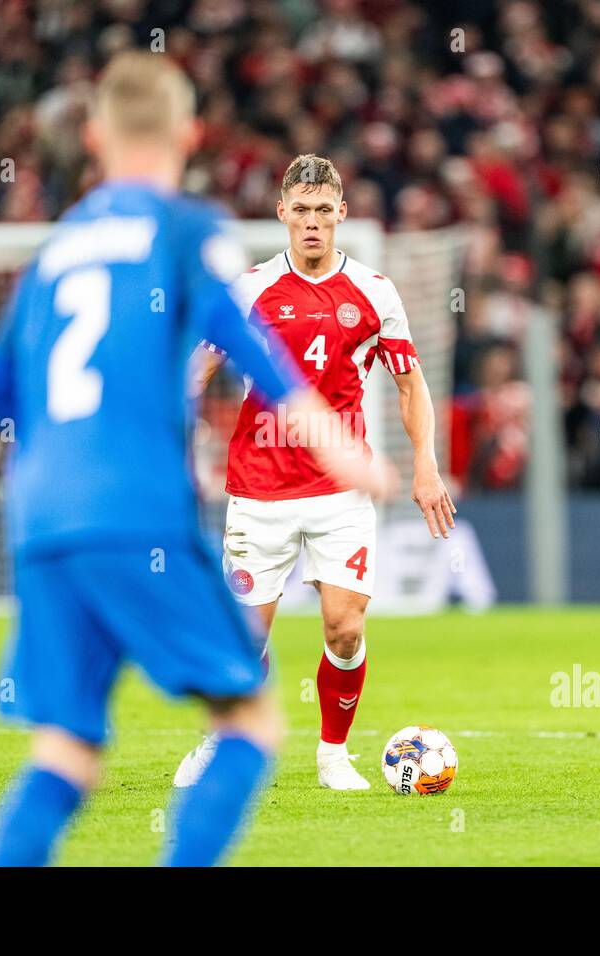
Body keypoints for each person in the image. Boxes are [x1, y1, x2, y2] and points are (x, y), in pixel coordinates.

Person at [0, 52, 381, 867]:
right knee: (252, 722)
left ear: (92, 136)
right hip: (133, 512)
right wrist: (346, 452)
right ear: (191, 133)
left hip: (41, 520)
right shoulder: (187, 229)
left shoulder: (57, 249)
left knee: (65, 756)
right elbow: (256, 354)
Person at [174, 154, 456, 791]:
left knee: (345, 627)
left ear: (341, 215)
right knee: (244, 637)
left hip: (341, 490)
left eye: (322, 211)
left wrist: (425, 465)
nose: (310, 223)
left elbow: (411, 386)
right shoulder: (250, 290)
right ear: (281, 213)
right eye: (299, 210)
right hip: (258, 486)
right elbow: (199, 369)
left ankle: (333, 755)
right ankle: (219, 744)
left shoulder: (375, 293)